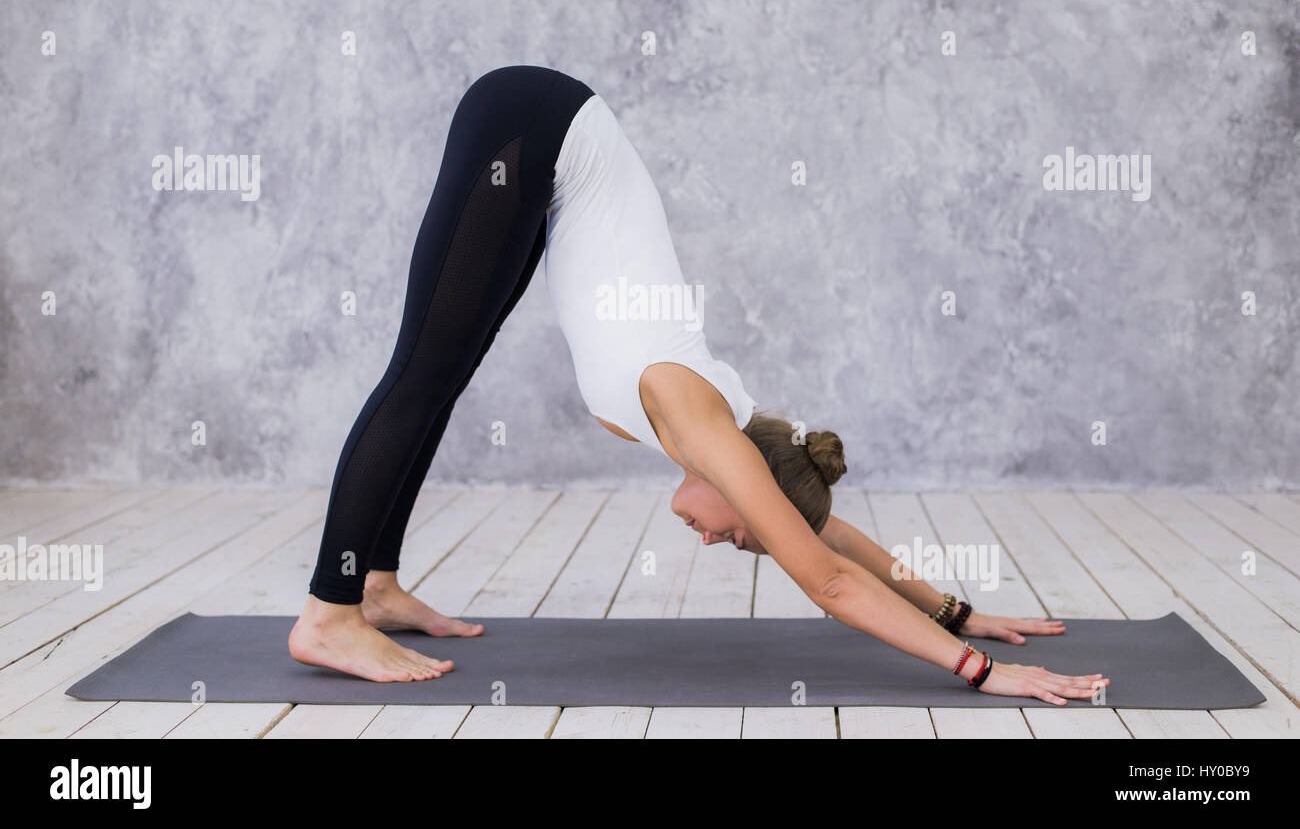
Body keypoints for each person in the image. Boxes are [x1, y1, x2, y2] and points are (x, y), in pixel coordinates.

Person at [288, 65, 1108, 705]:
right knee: (419, 372)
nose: (724, 543)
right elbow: (825, 579)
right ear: (742, 479)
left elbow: (831, 538)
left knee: (439, 376)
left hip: (551, 156)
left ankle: (374, 583)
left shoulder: (745, 429)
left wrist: (959, 610)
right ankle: (330, 613)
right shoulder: (701, 414)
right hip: (532, 123)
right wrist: (977, 668)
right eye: (747, 535)